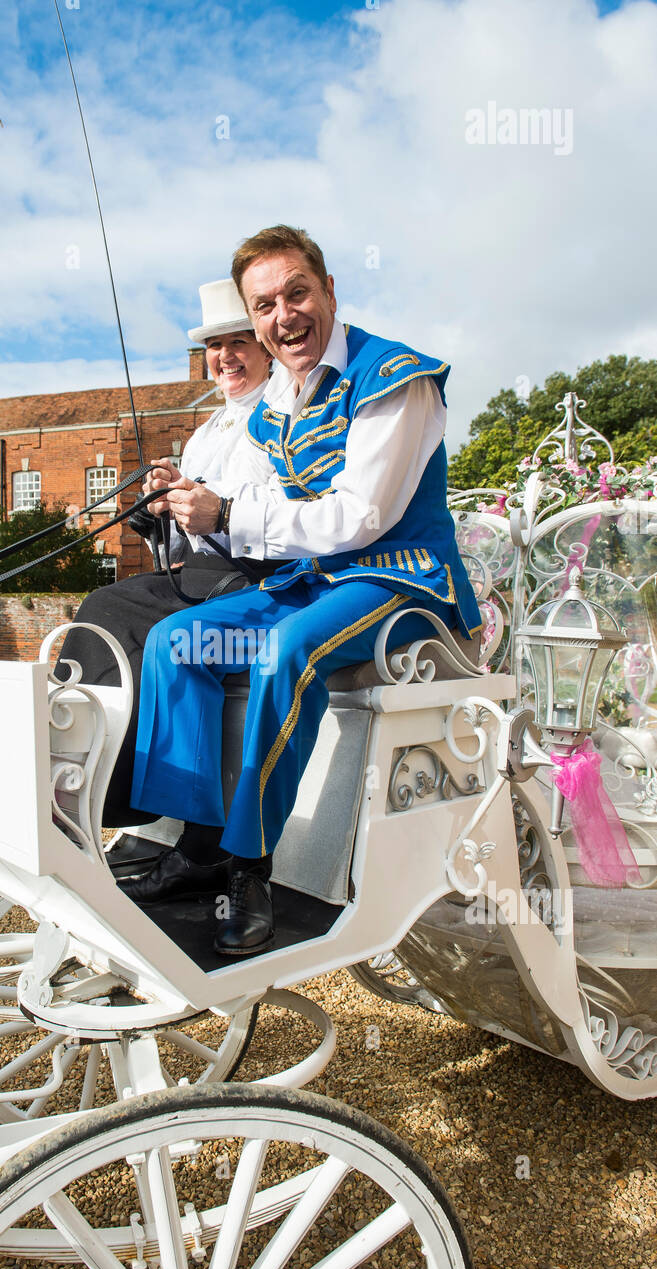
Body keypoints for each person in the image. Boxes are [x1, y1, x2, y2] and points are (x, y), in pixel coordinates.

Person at [123, 225, 483, 957]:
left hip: (402, 577)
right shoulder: (271, 406)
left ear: (328, 292)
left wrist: (226, 512)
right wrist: (190, 507)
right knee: (177, 641)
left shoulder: (394, 377)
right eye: (264, 305)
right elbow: (260, 522)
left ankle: (250, 866)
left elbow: (359, 517)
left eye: (296, 293)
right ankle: (197, 846)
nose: (282, 315)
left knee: (287, 650)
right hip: (318, 576)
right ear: (253, 318)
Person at [55, 278, 280, 825]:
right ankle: (90, 778)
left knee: (131, 623)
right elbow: (186, 540)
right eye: (214, 347)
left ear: (264, 347)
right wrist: (159, 509)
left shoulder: (283, 413)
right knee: (100, 609)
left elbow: (279, 514)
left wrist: (212, 510)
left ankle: (122, 791)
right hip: (199, 571)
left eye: (238, 343)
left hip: (254, 576)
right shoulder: (205, 433)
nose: (225, 357)